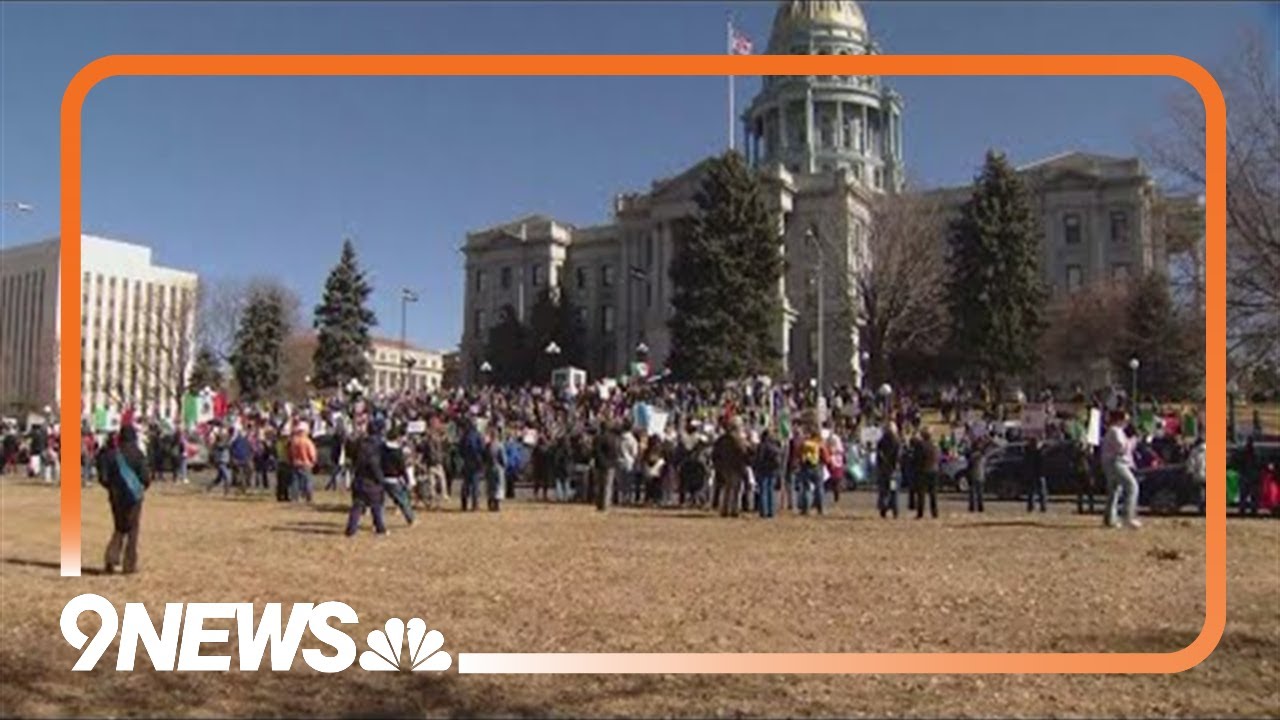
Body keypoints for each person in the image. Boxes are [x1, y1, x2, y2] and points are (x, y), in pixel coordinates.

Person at [97, 424, 151, 574]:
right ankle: (129, 565)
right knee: (133, 530)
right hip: (134, 497)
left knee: (119, 528)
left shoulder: (112, 453)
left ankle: (111, 559)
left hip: (116, 495)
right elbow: (146, 477)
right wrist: (140, 488)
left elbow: (103, 477)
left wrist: (111, 488)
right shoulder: (138, 454)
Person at [345, 421, 389, 537]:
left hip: (359, 477)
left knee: (358, 505)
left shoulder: (359, 443)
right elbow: (375, 464)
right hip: (372, 480)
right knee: (376, 506)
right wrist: (381, 479)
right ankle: (380, 528)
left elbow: (350, 454)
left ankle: (351, 530)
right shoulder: (379, 445)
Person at [1102, 410, 1141, 529]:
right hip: (1116, 463)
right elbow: (1122, 448)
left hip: (1112, 462)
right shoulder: (1115, 431)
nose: (1127, 422)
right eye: (1125, 419)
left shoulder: (1115, 431)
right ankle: (1128, 517)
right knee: (1132, 487)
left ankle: (1110, 519)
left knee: (1114, 491)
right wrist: (1134, 440)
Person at [712, 416, 750, 518]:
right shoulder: (738, 440)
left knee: (728, 489)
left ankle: (725, 509)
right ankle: (734, 509)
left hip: (725, 467)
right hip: (736, 467)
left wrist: (718, 466)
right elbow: (743, 453)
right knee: (736, 489)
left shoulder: (721, 439)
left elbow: (715, 454)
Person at [381, 423, 417, 523]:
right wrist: (407, 480)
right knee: (403, 500)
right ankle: (411, 519)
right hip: (394, 479)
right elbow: (402, 468)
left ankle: (378, 522)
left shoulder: (382, 449)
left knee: (380, 503)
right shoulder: (397, 451)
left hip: (382, 478)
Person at [593, 420, 621, 512]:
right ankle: (605, 505)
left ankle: (599, 504)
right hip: (610, 464)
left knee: (599, 485)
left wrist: (600, 460)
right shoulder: (614, 438)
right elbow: (616, 452)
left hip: (599, 464)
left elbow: (595, 451)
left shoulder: (598, 438)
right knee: (607, 486)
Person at [754, 428, 782, 519]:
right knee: (770, 491)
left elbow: (759, 459)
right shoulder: (775, 446)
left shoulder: (762, 446)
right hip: (773, 470)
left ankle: (763, 511)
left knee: (763, 491)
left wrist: (756, 467)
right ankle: (771, 511)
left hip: (763, 470)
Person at [459, 419, 486, 512]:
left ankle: (464, 504)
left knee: (466, 484)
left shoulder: (464, 436)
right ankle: (475, 505)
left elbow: (460, 449)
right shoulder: (478, 436)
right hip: (476, 462)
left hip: (466, 462)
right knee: (475, 485)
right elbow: (482, 449)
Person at [876, 421, 901, 519]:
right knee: (893, 490)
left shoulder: (881, 441)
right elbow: (898, 456)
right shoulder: (897, 441)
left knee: (884, 490)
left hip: (883, 471)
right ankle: (895, 510)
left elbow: (878, 455)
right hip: (893, 472)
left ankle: (883, 509)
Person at [288, 421, 317, 504]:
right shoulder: (307, 442)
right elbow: (312, 453)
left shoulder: (294, 442)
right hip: (306, 463)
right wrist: (313, 461)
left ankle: (295, 497)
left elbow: (290, 453)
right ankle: (309, 497)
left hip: (296, 463)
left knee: (295, 481)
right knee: (307, 481)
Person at [915, 427, 940, 519]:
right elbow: (938, 456)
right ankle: (935, 512)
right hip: (934, 469)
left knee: (921, 494)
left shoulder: (920, 445)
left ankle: (920, 513)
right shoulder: (935, 445)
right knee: (933, 493)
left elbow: (917, 458)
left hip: (923, 470)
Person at [1237, 436, 1261, 517]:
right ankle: (1253, 510)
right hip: (1253, 476)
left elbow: (1239, 463)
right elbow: (1259, 465)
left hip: (1245, 475)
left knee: (1244, 495)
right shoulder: (1256, 453)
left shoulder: (1243, 453)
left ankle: (1242, 510)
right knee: (1253, 495)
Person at [1025, 437, 1048, 513]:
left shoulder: (1039, 452)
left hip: (1038, 473)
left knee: (1039, 491)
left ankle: (1041, 507)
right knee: (1033, 491)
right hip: (1036, 473)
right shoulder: (1032, 452)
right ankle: (1033, 507)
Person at [967, 434, 987, 513]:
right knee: (980, 493)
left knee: (973, 493)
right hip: (981, 475)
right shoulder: (982, 456)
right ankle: (980, 507)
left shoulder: (972, 456)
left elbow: (969, 466)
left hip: (974, 475)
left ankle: (972, 507)